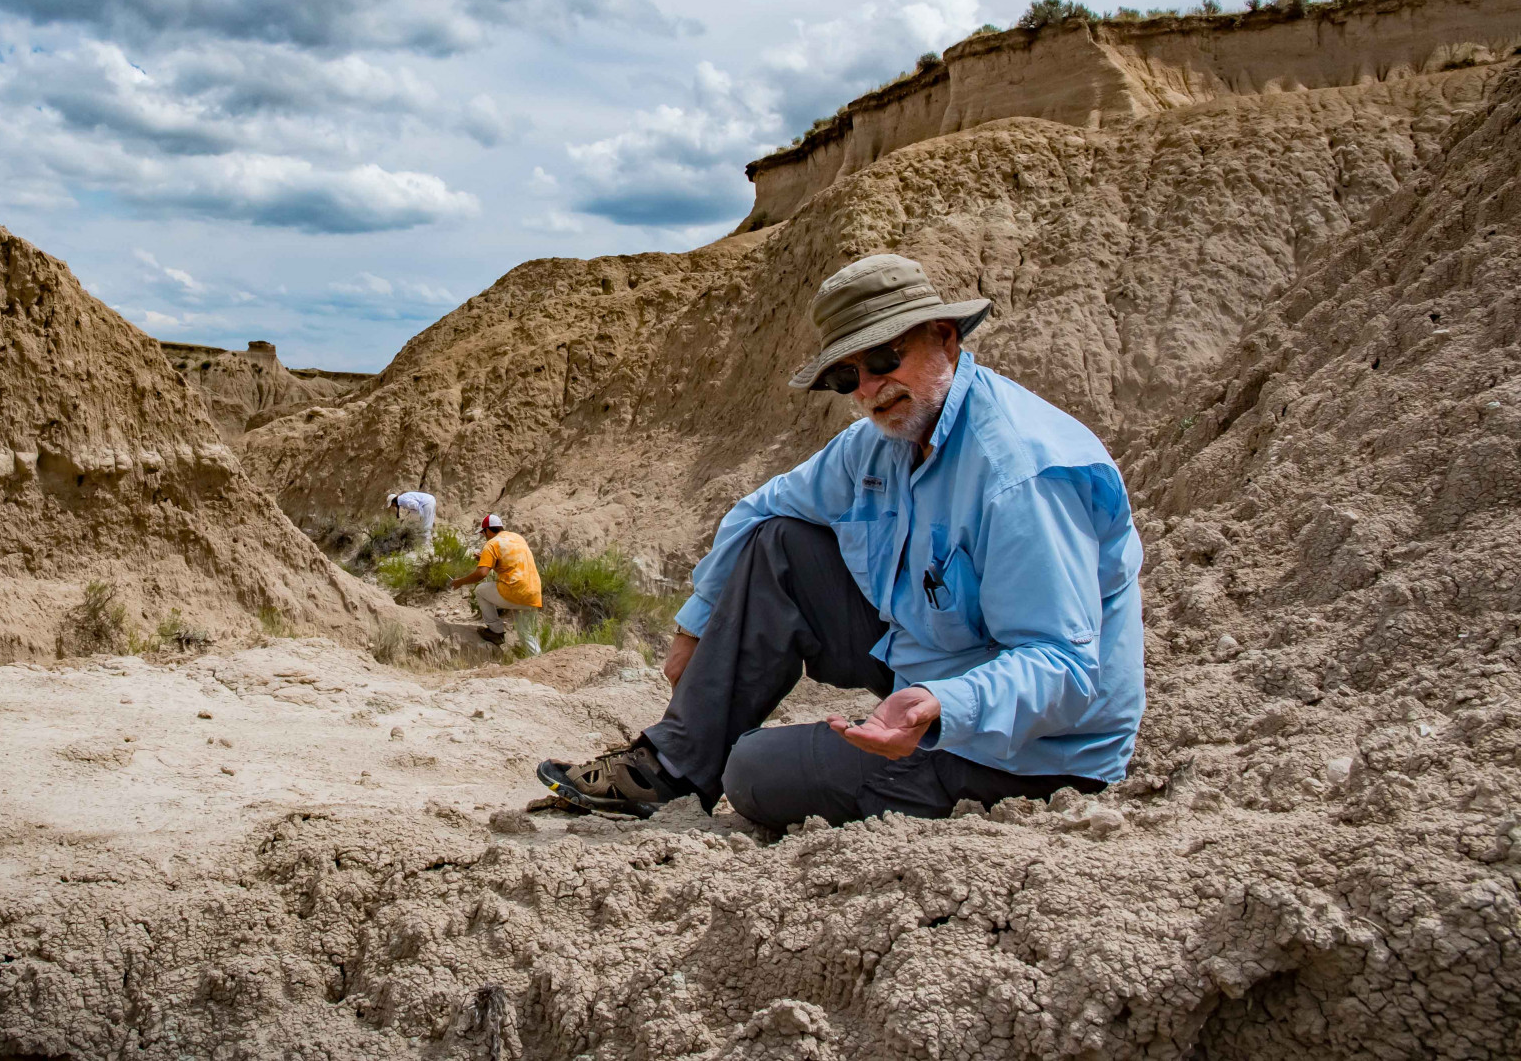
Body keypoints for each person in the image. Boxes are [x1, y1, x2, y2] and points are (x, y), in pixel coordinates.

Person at [536, 253, 1145, 827]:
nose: (867, 388)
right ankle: (673, 766)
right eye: (847, 375)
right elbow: (759, 512)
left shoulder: (1020, 476)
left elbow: (1064, 667)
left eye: (883, 359)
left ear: (946, 337)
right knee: (779, 544)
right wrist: (694, 626)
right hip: (929, 663)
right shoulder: (882, 442)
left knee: (753, 771)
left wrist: (939, 704)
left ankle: (752, 762)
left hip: (1032, 752)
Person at [449, 514, 542, 646]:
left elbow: (481, 574)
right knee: (527, 636)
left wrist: (460, 581)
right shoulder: (517, 538)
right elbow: (510, 561)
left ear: (487, 530)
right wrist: (487, 559)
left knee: (480, 590)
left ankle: (496, 631)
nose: (484, 536)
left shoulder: (491, 544)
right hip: (533, 593)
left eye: (483, 533)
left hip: (514, 591)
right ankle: (536, 659)